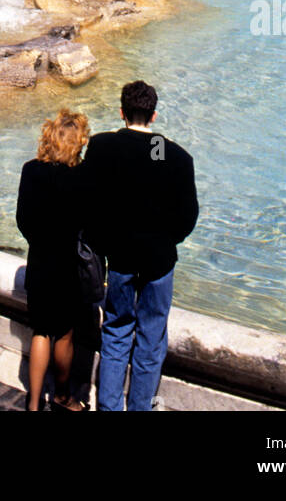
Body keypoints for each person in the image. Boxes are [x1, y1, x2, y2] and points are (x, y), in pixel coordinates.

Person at [83, 80, 198, 412]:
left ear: (121, 112)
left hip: (119, 258)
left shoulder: (102, 146)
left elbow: (90, 203)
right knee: (150, 340)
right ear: (154, 115)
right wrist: (165, 241)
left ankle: (108, 407)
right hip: (159, 261)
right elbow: (187, 216)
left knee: (116, 333)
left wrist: (103, 244)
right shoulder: (175, 156)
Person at [16, 108, 90, 411]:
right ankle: (62, 396)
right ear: (78, 142)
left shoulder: (30, 170)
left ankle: (33, 404)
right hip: (67, 267)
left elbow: (22, 220)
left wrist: (39, 240)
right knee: (64, 334)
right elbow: (89, 223)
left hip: (39, 263)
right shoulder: (82, 176)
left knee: (41, 331)